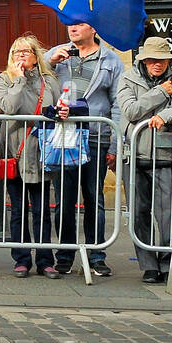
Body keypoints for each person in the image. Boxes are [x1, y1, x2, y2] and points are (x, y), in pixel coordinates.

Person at [118, 36, 172, 284]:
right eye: (153, 59)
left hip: (167, 156)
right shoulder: (128, 79)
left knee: (169, 214)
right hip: (136, 155)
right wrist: (159, 93)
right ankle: (148, 264)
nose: (158, 64)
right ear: (144, 60)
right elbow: (131, 111)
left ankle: (167, 261)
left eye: (162, 60)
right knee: (139, 212)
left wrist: (166, 114)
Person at [45, 22, 123, 276]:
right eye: (70, 24)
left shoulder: (110, 60)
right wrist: (50, 62)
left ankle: (96, 254)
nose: (72, 28)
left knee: (93, 198)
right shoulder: (58, 54)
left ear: (94, 29)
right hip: (65, 137)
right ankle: (65, 254)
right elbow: (32, 74)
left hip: (96, 137)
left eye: (79, 24)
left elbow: (118, 105)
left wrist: (114, 144)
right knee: (65, 199)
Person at [0, 34, 62, 278]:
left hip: (41, 151)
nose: (21, 56)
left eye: (26, 52)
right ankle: (21, 259)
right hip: (15, 151)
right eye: (16, 52)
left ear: (36, 57)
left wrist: (62, 112)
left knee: (42, 210)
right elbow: (10, 108)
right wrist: (19, 80)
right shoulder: (3, 80)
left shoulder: (49, 81)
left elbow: (54, 108)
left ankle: (45, 260)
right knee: (18, 210)